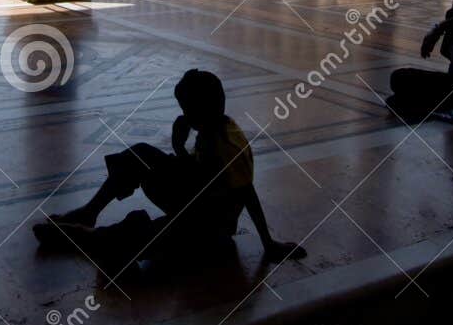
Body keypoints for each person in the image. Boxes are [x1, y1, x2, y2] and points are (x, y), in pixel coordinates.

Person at [34, 69, 305, 273]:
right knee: (141, 154)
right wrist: (179, 148)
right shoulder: (214, 129)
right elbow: (200, 176)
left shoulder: (226, 144)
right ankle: (89, 213)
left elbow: (246, 192)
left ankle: (80, 236)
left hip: (206, 226)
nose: (184, 115)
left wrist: (268, 243)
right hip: (195, 202)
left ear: (200, 109)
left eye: (187, 110)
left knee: (135, 240)